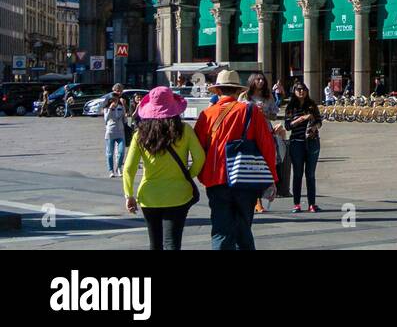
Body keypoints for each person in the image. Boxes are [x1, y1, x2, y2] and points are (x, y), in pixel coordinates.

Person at [194, 68, 279, 251]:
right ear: (238, 91)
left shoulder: (206, 115)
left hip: (216, 180)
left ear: (217, 91)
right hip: (245, 177)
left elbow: (198, 150)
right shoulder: (250, 111)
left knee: (220, 230)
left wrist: (202, 175)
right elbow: (267, 146)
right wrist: (271, 178)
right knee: (243, 230)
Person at [122, 86, 205, 250]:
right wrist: (187, 175)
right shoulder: (184, 130)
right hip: (178, 194)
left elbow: (129, 168)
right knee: (172, 243)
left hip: (149, 196)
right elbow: (200, 158)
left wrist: (129, 194)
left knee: (155, 244)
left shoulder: (140, 134)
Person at [240, 72, 286, 214]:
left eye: (262, 79)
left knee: (264, 164)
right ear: (252, 81)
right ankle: (256, 201)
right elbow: (239, 113)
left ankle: (262, 195)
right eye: (257, 79)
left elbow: (274, 115)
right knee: (251, 164)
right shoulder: (244, 96)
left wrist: (263, 114)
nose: (260, 81)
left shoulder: (268, 97)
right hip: (249, 132)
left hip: (265, 132)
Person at [283, 81, 323, 214]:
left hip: (311, 142)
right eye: (299, 89)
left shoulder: (311, 105)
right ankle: (297, 204)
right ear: (294, 91)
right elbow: (287, 126)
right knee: (298, 174)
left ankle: (312, 204)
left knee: (310, 174)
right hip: (296, 143)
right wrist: (301, 119)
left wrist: (314, 127)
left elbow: (319, 122)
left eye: (304, 89)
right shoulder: (290, 107)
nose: (302, 91)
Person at [103, 92, 127, 177]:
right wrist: (110, 109)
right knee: (110, 153)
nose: (114, 101)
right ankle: (111, 170)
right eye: (112, 100)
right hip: (110, 132)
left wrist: (124, 107)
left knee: (121, 152)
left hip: (120, 132)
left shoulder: (121, 107)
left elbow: (125, 120)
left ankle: (119, 168)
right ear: (110, 100)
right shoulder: (106, 108)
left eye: (116, 99)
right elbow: (106, 119)